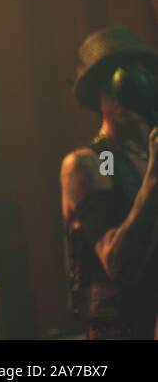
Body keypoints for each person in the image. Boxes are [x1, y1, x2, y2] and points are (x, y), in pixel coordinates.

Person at [60, 26, 158, 339]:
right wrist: (154, 178)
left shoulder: (145, 153)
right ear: (100, 95)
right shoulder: (88, 164)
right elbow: (116, 261)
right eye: (118, 82)